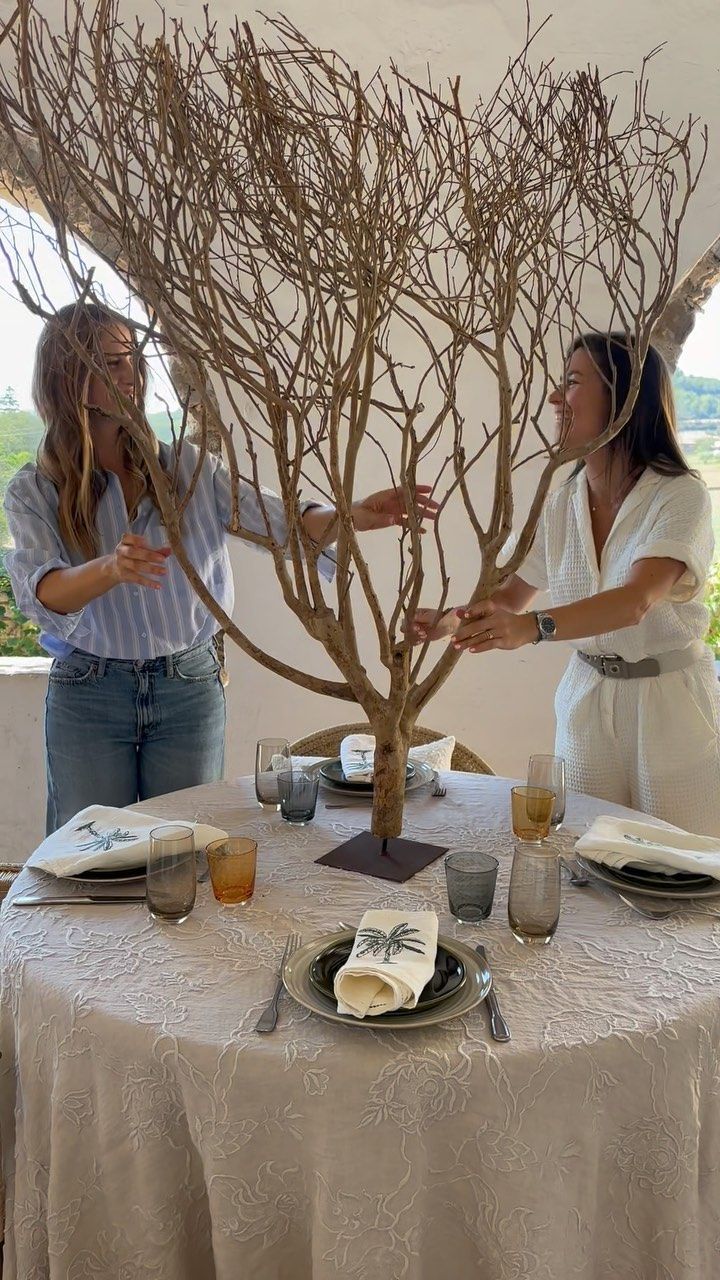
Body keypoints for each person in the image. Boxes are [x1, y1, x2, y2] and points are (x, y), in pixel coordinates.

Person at [5, 302, 438, 833]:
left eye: (134, 360)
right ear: (67, 375)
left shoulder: (185, 466)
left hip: (188, 685)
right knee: (91, 855)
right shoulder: (36, 488)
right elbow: (43, 591)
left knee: (183, 850)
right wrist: (110, 569)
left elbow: (277, 519)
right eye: (113, 362)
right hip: (89, 690)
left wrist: (354, 516)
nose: (133, 375)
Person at [413, 333, 720, 835]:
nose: (555, 398)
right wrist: (448, 622)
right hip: (588, 701)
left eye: (573, 383)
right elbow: (509, 597)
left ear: (623, 397)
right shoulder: (560, 504)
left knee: (682, 862)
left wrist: (531, 628)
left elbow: (636, 601)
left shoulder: (680, 495)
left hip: (670, 707)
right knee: (586, 853)